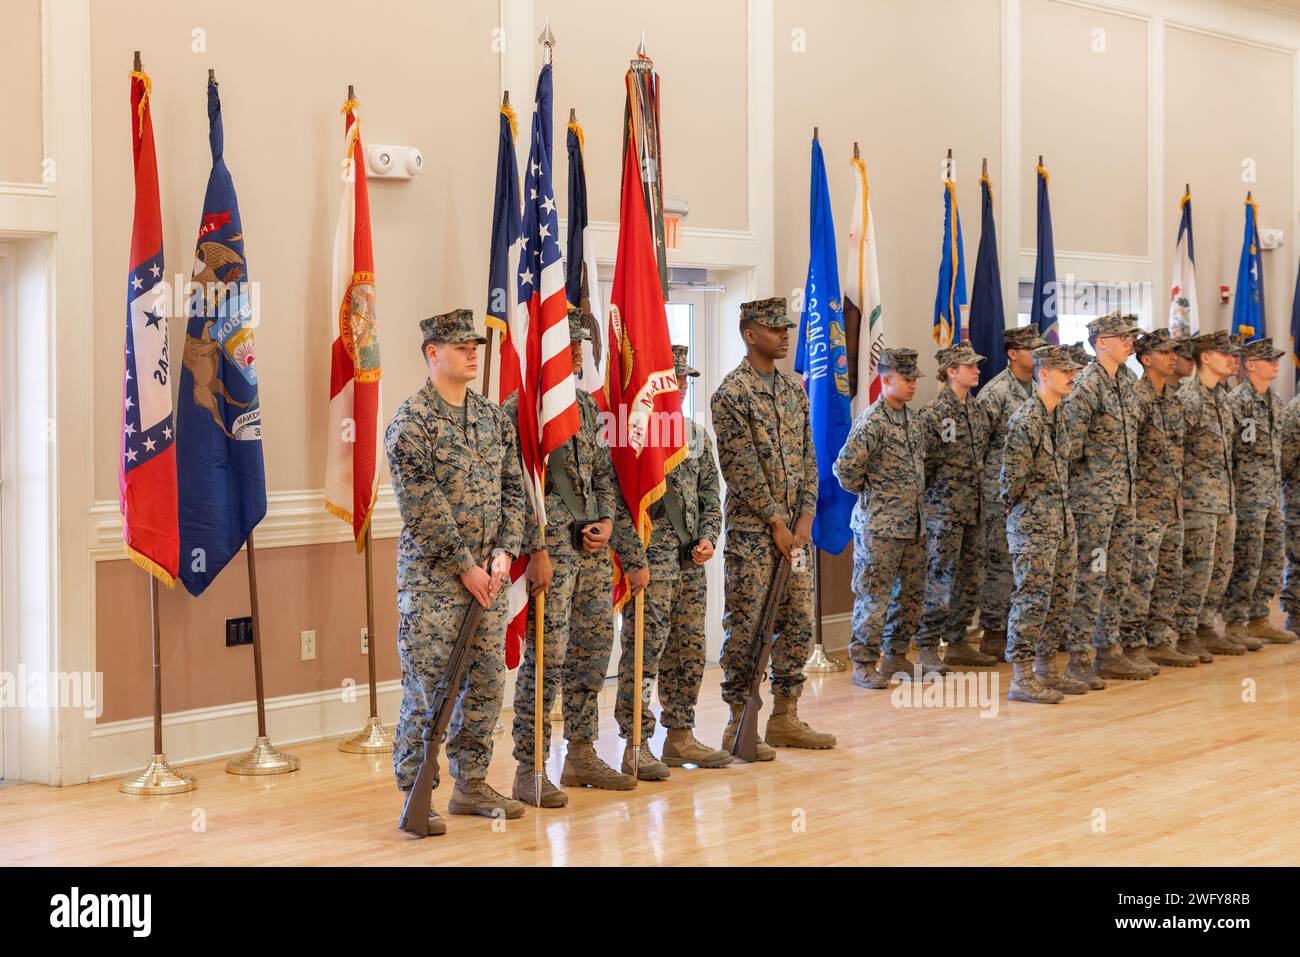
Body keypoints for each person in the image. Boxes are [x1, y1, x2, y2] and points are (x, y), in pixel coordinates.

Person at [385, 308, 528, 835]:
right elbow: (423, 510)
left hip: (490, 580)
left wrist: (505, 555)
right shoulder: (410, 424)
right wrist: (466, 566)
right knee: (429, 689)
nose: (473, 352)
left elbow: (516, 492)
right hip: (434, 585)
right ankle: (414, 792)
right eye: (460, 345)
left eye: (475, 345)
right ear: (432, 353)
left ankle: (471, 784)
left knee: (488, 683)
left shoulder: (493, 420)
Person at [506, 307, 650, 806]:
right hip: (552, 558)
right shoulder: (523, 409)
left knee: (591, 655)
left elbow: (606, 478)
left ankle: (581, 754)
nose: (570, 357)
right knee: (545, 663)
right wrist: (539, 548)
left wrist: (611, 528)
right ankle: (530, 767)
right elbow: (519, 488)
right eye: (562, 349)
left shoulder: (588, 409)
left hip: (591, 558)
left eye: (575, 350)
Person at [712, 297, 835, 759]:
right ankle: (737, 722)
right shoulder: (731, 393)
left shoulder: (793, 390)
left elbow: (808, 457)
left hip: (797, 534)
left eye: (787, 328)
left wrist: (805, 515)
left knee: (797, 621)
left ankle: (786, 714)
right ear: (750, 333)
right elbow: (740, 468)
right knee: (747, 625)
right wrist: (777, 522)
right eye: (775, 328)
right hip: (754, 535)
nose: (785, 335)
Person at [613, 345, 732, 773]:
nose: (681, 388)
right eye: (675, 379)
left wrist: (707, 537)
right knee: (644, 652)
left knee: (689, 650)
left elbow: (709, 495)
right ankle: (636, 742)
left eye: (686, 381)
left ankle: (680, 736)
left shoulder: (696, 434)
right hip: (652, 561)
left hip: (689, 563)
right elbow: (622, 504)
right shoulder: (632, 434)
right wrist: (631, 557)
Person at [1000, 345, 1089, 702]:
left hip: (1062, 524)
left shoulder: (1061, 417)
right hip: (1033, 527)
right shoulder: (1025, 421)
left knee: (1059, 598)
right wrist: (1033, 515)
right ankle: (1021, 676)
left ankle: (1046, 669)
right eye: (1064, 371)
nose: (1072, 376)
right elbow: (1010, 484)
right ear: (1044, 374)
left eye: (1073, 370)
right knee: (1032, 599)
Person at [834, 348, 927, 687]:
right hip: (879, 528)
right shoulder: (872, 422)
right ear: (886, 380)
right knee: (873, 598)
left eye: (915, 379)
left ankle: (896, 657)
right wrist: (874, 497)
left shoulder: (912, 421)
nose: (913, 384)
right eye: (907, 379)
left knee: (909, 597)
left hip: (913, 526)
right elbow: (845, 470)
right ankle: (863, 663)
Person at [1061, 312, 1145, 684]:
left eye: (1131, 337)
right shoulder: (1086, 385)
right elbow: (1069, 447)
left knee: (1118, 576)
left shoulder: (1128, 380)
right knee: (1091, 576)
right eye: (1123, 337)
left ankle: (1109, 649)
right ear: (1102, 342)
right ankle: (1079, 657)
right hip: (1093, 501)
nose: (1130, 343)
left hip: (1124, 498)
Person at [917, 341, 997, 668]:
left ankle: (958, 640)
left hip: (974, 510)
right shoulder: (934, 412)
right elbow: (923, 465)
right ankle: (926, 644)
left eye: (977, 365)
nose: (977, 370)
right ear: (951, 371)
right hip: (943, 512)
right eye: (970, 366)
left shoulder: (978, 411)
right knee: (939, 577)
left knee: (971, 576)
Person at [1124, 330, 1198, 668]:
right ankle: (1131, 645)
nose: (1173, 357)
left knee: (1170, 575)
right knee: (1140, 577)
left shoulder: (1174, 398)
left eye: (1174, 352)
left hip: (1172, 504)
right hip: (1143, 506)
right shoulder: (1134, 398)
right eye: (1165, 352)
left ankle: (1158, 640)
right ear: (1146, 358)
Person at [976, 326, 1046, 661]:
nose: (1037, 353)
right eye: (1030, 348)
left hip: (1033, 495)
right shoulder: (996, 392)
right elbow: (977, 445)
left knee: (1025, 566)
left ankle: (1023, 634)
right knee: (999, 565)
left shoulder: (1040, 389)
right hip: (997, 493)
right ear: (1013, 353)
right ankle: (993, 631)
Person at [1224, 338, 1294, 646]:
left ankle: (1259, 617)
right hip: (1246, 495)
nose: (1276, 364)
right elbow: (1229, 452)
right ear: (1250, 364)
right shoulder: (1237, 401)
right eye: (1269, 359)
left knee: (1271, 558)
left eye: (1277, 359)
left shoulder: (1275, 402)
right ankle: (1236, 621)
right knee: (1247, 559)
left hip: (1270, 494)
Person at [1175, 330, 1241, 662]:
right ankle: (1184, 633)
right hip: (1196, 500)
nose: (1233, 360)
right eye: (1226, 354)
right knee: (1196, 568)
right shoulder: (1189, 396)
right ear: (1205, 358)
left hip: (1223, 498)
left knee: (1220, 567)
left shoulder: (1221, 397)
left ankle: (1204, 627)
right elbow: (1174, 450)